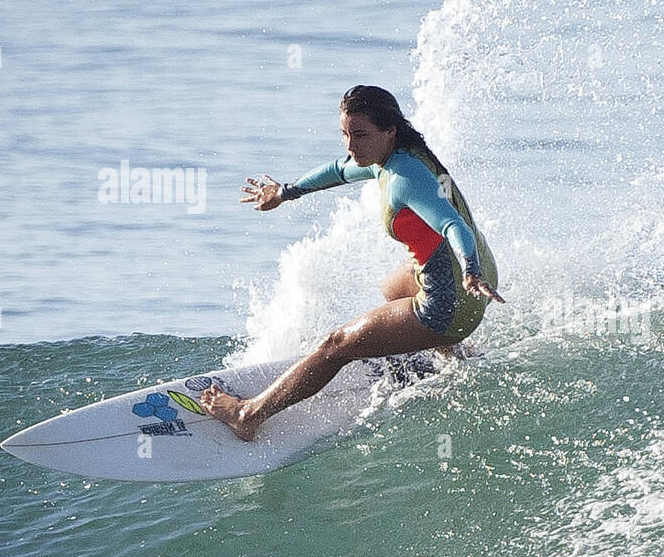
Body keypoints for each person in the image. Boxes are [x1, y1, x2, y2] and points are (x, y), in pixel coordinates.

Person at [200, 85, 504, 440]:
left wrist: (470, 270)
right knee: (392, 286)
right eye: (344, 134)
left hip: (454, 301)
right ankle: (451, 355)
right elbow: (337, 170)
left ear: (388, 129)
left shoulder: (406, 179)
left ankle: (247, 414)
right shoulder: (398, 156)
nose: (350, 145)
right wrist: (283, 192)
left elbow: (453, 224)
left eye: (359, 135)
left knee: (336, 346)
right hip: (468, 286)